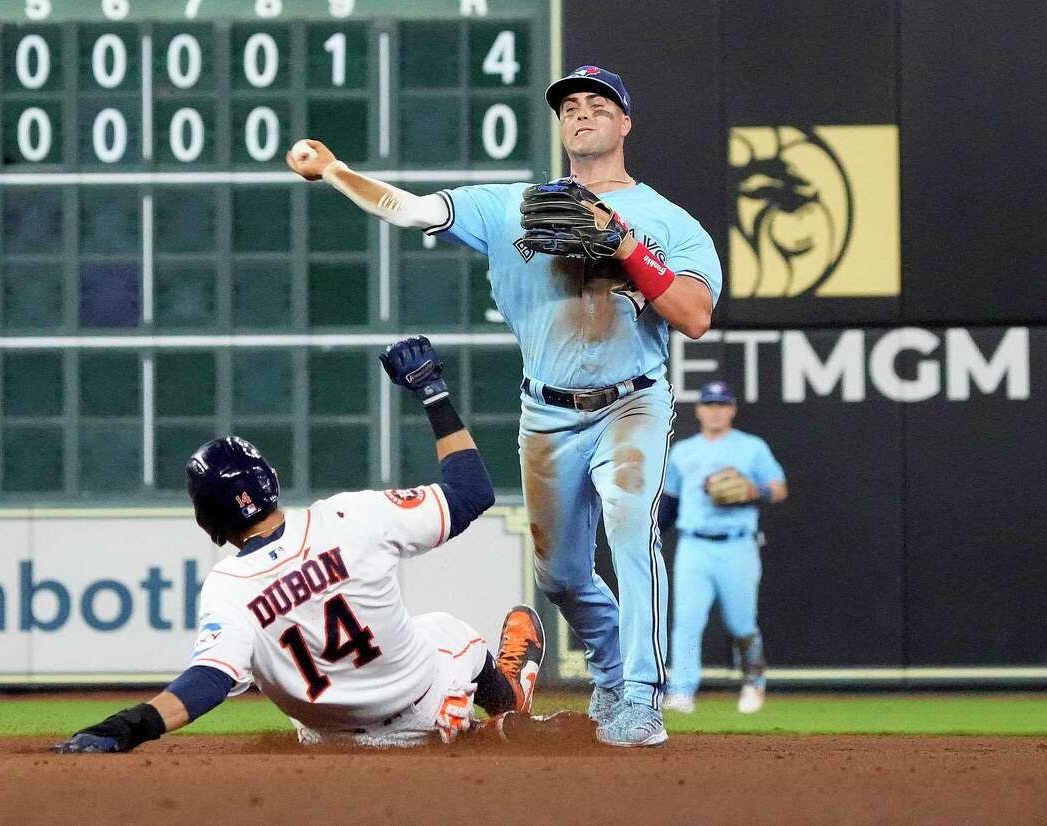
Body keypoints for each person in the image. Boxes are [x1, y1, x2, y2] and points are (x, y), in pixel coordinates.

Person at [286, 66, 721, 747]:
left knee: (631, 528)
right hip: (546, 413)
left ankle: (640, 697)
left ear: (625, 122)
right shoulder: (513, 206)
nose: (581, 114)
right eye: (570, 106)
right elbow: (414, 209)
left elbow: (694, 316)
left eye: (597, 104)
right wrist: (338, 170)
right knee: (562, 576)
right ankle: (610, 668)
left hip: (631, 402)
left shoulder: (671, 222)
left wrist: (627, 245)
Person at [52, 336, 545, 752]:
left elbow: (206, 683)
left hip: (336, 747)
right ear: (271, 480)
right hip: (425, 703)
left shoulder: (227, 589)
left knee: (289, 682)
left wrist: (123, 729)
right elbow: (472, 492)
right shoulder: (349, 517)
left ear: (208, 521)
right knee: (447, 629)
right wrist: (432, 393)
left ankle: (468, 721)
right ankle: (508, 713)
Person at [657, 380, 787, 714]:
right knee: (687, 620)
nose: (716, 411)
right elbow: (669, 503)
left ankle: (754, 683)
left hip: (737, 544)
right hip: (694, 545)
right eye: (710, 404)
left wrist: (752, 491)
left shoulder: (751, 447)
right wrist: (654, 534)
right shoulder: (682, 452)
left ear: (732, 409)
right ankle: (682, 691)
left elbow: (779, 488)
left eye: (722, 404)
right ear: (699, 410)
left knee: (742, 623)